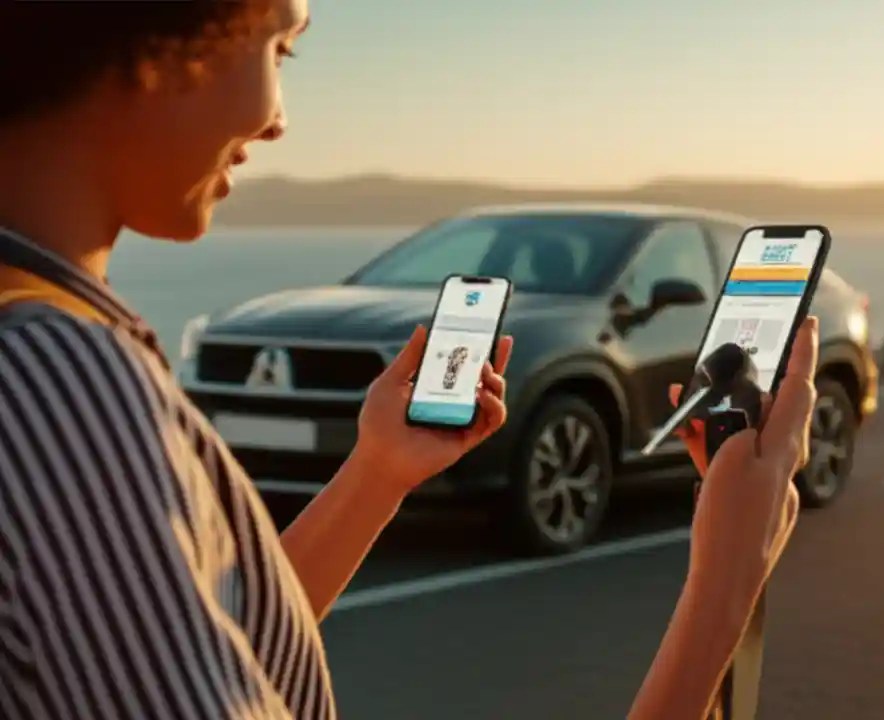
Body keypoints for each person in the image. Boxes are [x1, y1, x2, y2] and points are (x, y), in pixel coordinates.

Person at [0, 1, 817, 718]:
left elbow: (207, 646)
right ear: (158, 41)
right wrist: (725, 593)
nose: (278, 118)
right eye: (279, 50)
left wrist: (377, 473)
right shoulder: (65, 378)